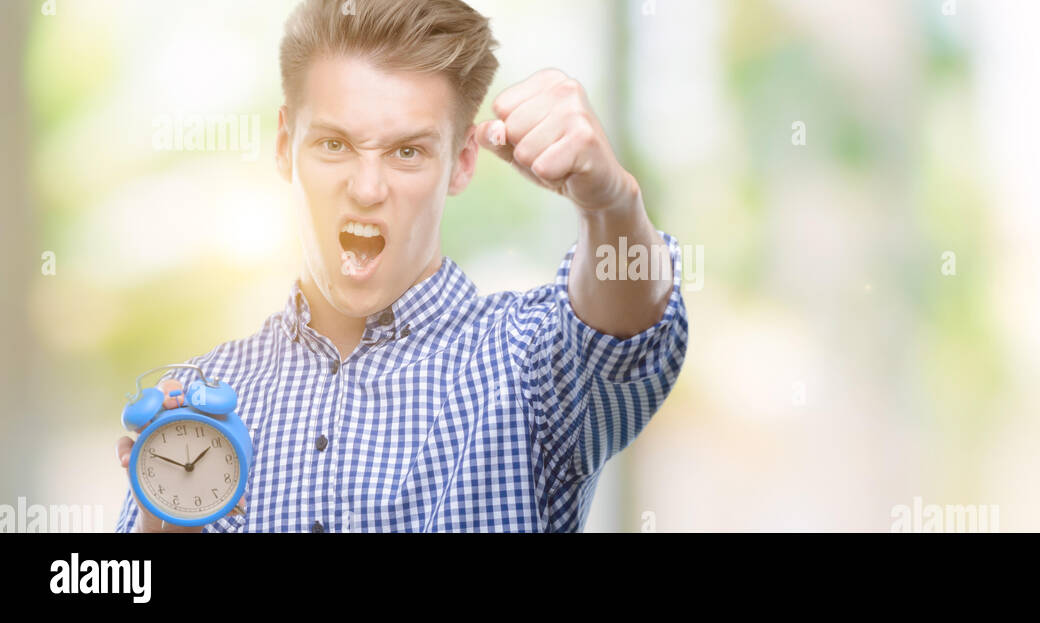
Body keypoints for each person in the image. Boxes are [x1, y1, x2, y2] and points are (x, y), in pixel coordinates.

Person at [112, 0, 687, 533]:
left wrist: (611, 203)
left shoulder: (529, 367)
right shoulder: (191, 411)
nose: (366, 188)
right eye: (335, 145)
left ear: (462, 163)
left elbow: (629, 331)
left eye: (407, 151)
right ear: (285, 144)